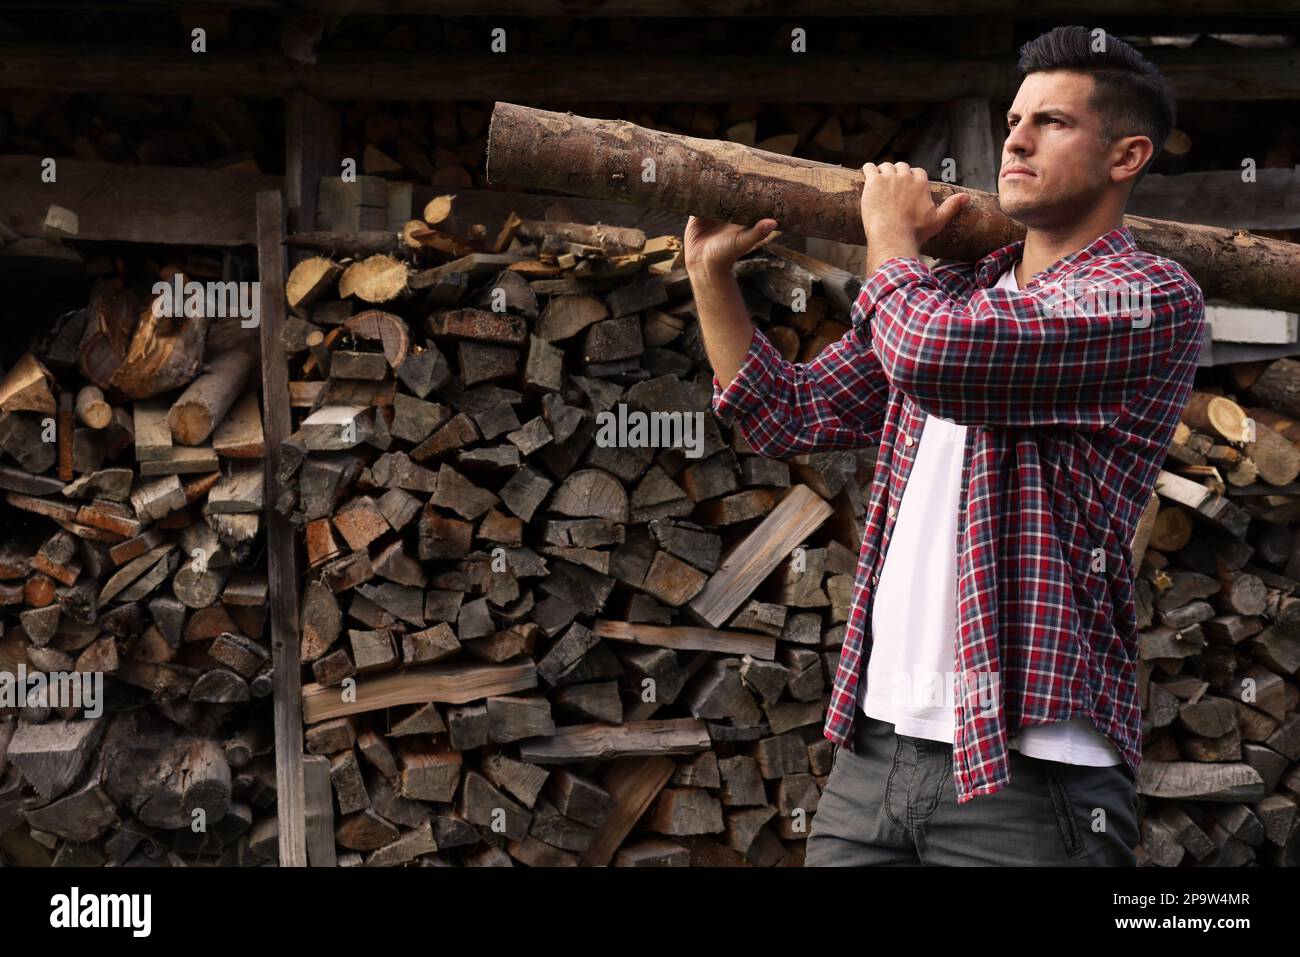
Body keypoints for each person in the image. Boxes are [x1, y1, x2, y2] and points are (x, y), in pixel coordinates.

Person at [684, 25, 1206, 866]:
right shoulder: (954, 290)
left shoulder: (1146, 298)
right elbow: (790, 414)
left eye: (1053, 122)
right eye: (1013, 120)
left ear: (1127, 155)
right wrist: (711, 277)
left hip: (1034, 775)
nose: (1018, 139)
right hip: (876, 751)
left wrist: (889, 234)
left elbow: (935, 356)